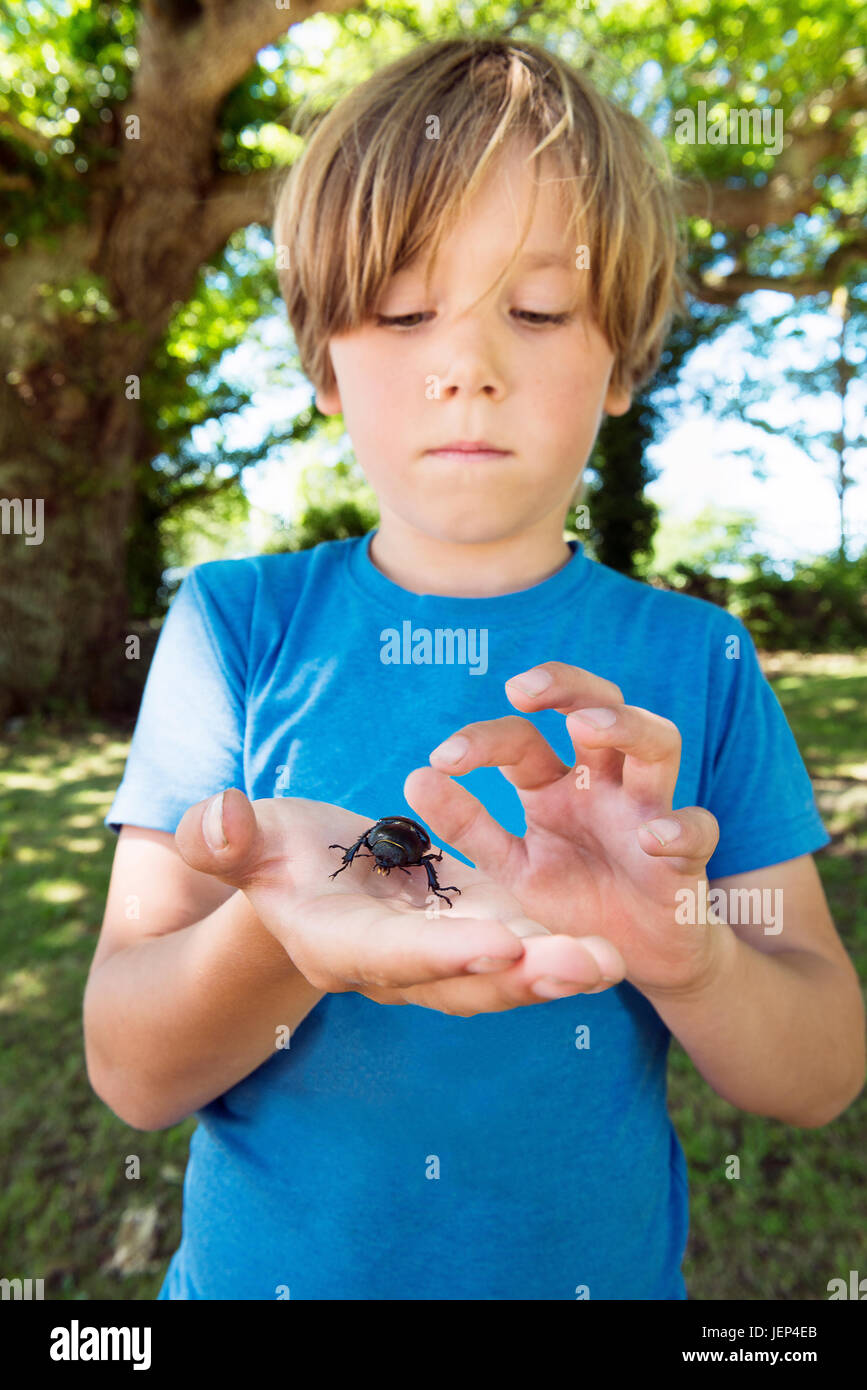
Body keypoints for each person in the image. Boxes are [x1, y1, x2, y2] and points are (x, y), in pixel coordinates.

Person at [85, 36, 865, 1300]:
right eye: (401, 310)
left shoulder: (697, 661)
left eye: (541, 308)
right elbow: (130, 1069)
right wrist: (286, 943)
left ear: (622, 355)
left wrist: (691, 954)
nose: (469, 365)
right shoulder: (233, 626)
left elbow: (822, 1068)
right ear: (325, 363)